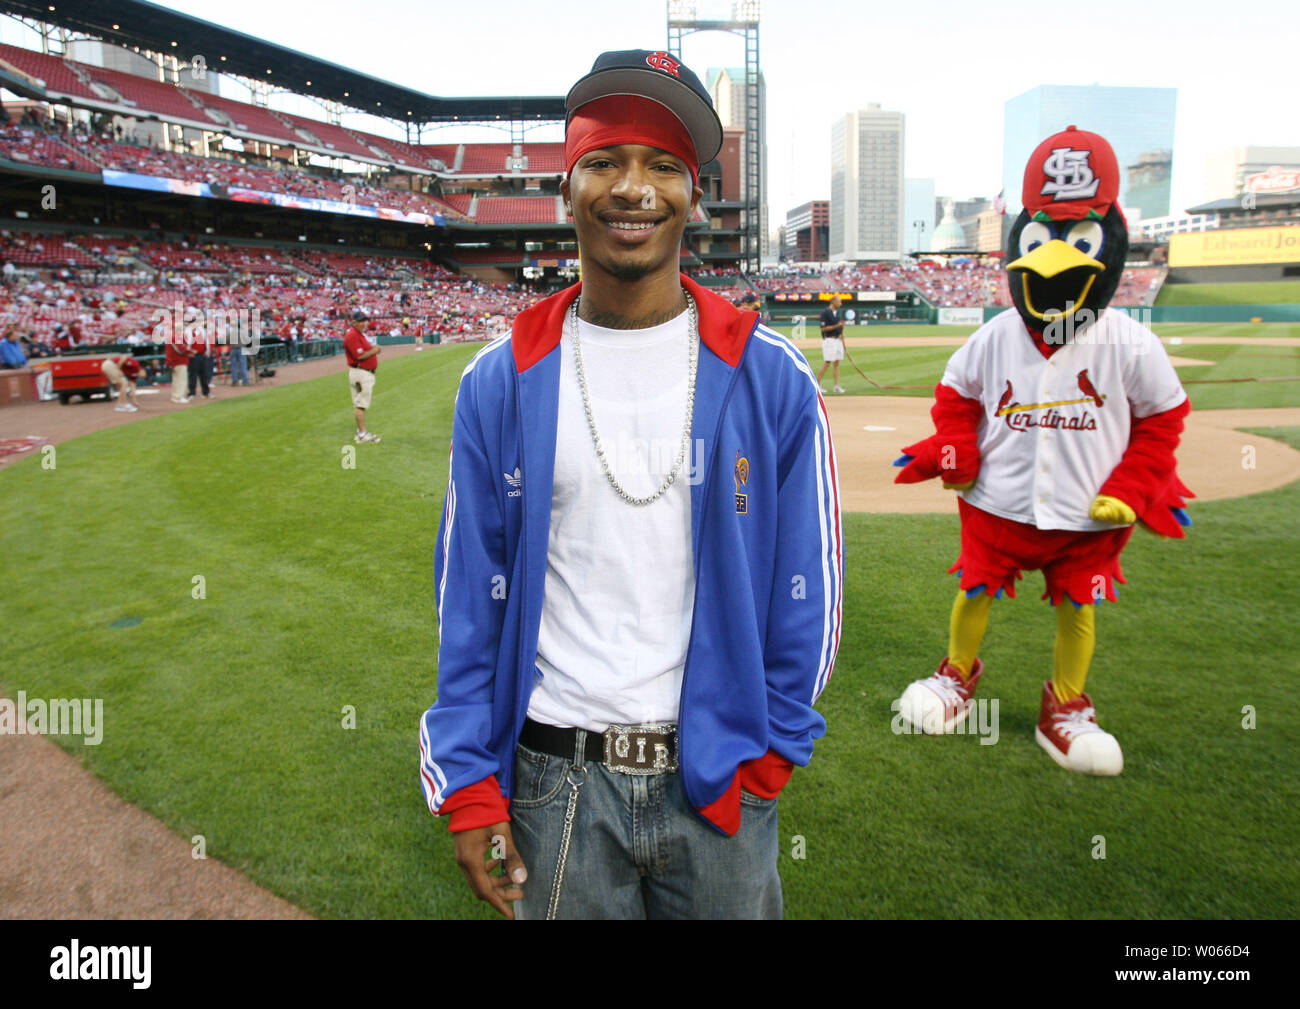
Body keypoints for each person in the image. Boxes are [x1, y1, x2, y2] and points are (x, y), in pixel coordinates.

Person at [418, 49, 843, 920]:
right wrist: (470, 786)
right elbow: (469, 601)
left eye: (663, 166)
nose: (632, 188)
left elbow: (810, 591)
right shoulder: (498, 382)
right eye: (604, 161)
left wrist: (769, 757)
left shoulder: (773, 379)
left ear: (696, 194)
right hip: (553, 781)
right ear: (567, 189)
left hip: (719, 778)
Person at [342, 308, 381, 443]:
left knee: (361, 403)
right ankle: (362, 434)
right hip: (361, 372)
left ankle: (361, 432)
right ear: (354, 322)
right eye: (361, 321)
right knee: (361, 404)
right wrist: (374, 350)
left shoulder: (358, 334)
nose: (364, 323)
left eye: (365, 321)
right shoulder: (352, 335)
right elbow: (359, 356)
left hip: (363, 372)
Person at [817, 295, 845, 393]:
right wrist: (836, 326)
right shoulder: (825, 313)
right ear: (833, 302)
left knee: (836, 363)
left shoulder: (836, 313)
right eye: (839, 302)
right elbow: (823, 328)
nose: (840, 304)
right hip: (829, 340)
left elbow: (837, 326)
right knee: (828, 362)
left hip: (837, 340)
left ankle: (836, 386)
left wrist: (841, 332)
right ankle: (817, 384)